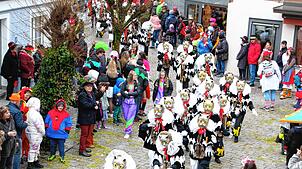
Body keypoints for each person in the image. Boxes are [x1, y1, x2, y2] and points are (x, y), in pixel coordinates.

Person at [45, 99, 72, 163]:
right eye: (59, 106)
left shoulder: (66, 114)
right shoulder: (51, 112)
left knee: (61, 146)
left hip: (61, 134)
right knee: (52, 145)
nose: (60, 107)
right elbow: (47, 120)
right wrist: (46, 126)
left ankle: (62, 156)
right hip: (52, 133)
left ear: (64, 107)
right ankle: (52, 154)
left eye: (62, 106)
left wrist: (67, 129)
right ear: (56, 106)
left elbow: (69, 123)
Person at [7, 93, 28, 169]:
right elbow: (20, 125)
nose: (20, 102)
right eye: (19, 101)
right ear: (16, 101)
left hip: (7, 133)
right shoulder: (17, 112)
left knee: (7, 154)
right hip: (16, 135)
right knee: (16, 153)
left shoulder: (6, 108)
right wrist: (26, 123)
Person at [77, 81, 98, 157]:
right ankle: (81, 150)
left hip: (90, 117)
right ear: (85, 87)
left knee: (88, 133)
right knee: (84, 134)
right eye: (88, 86)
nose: (89, 88)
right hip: (84, 118)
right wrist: (94, 105)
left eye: (91, 86)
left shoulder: (91, 94)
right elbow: (85, 105)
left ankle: (85, 147)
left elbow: (94, 102)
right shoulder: (82, 95)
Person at [25, 97, 45, 169]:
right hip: (35, 133)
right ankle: (30, 163)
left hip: (34, 132)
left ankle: (35, 160)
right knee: (33, 148)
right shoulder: (34, 113)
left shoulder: (31, 112)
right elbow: (38, 124)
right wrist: (43, 131)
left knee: (36, 147)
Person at [121, 71, 140, 139]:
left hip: (133, 102)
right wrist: (126, 94)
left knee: (130, 117)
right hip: (126, 101)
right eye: (135, 75)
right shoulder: (125, 82)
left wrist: (129, 93)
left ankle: (127, 131)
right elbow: (122, 91)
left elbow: (137, 92)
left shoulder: (137, 83)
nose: (136, 77)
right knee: (126, 116)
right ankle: (129, 127)